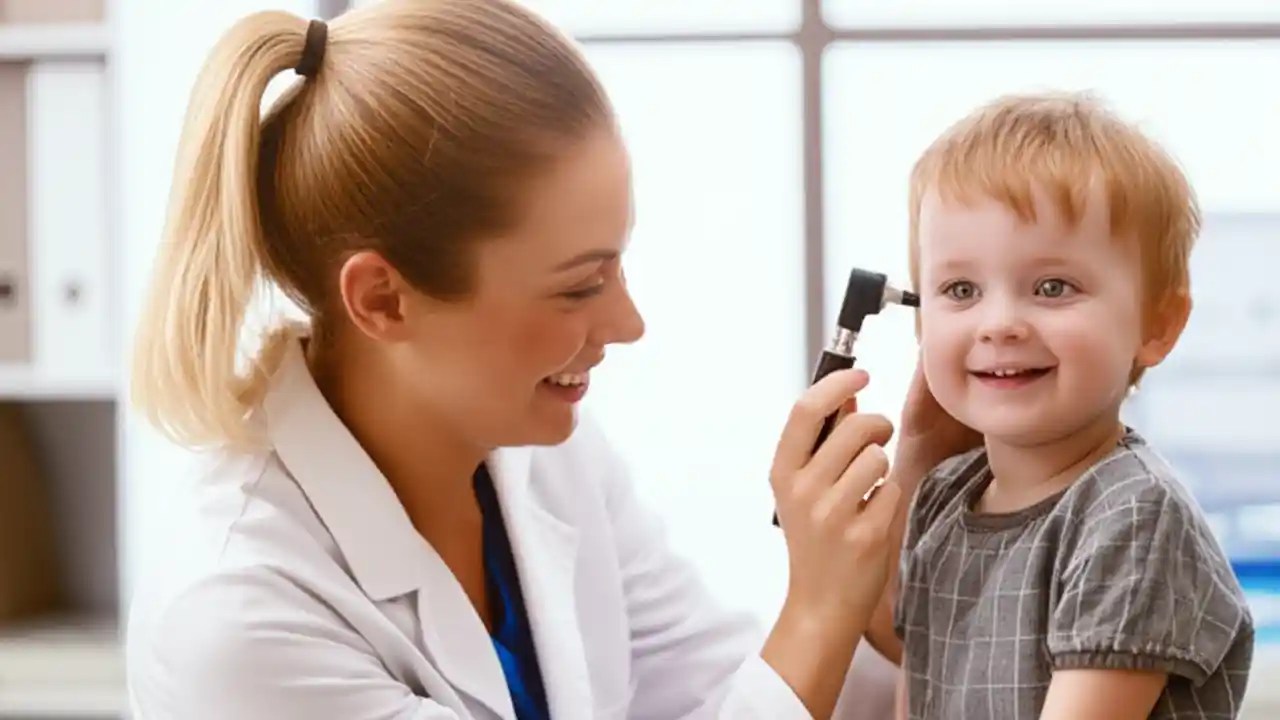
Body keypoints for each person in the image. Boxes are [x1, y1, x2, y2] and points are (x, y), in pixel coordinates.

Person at [122, 2, 929, 718]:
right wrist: (819, 608)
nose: (629, 323)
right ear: (383, 300)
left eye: (618, 266)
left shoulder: (550, 461)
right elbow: (789, 672)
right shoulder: (238, 619)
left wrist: (888, 583)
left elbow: (726, 692)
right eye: (579, 287)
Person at [860, 91, 1255, 719]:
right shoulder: (941, 498)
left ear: (1158, 325)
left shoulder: (1133, 516)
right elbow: (914, 684)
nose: (999, 323)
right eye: (960, 289)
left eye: (1052, 287)